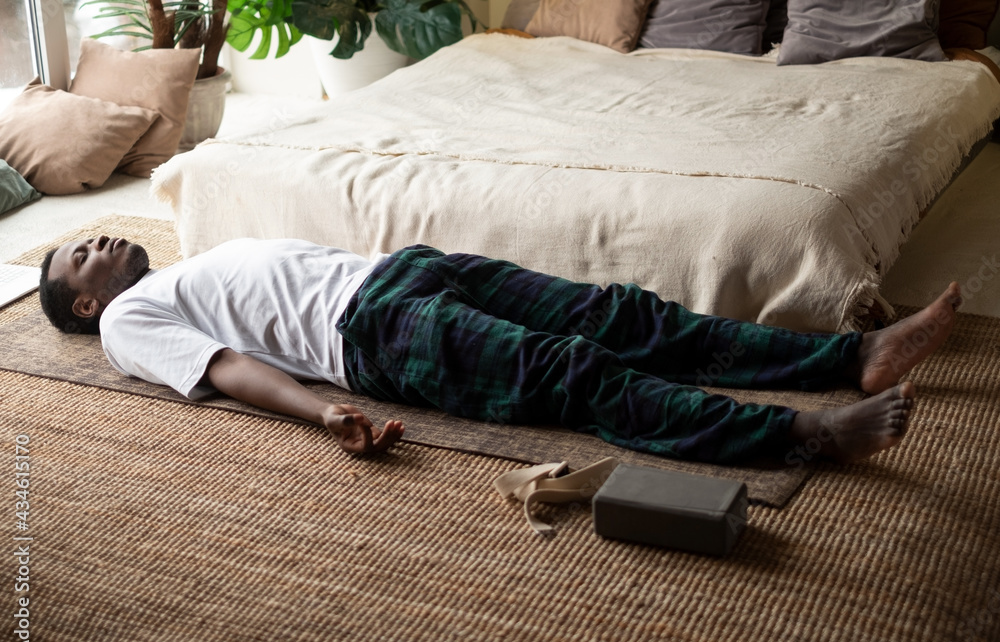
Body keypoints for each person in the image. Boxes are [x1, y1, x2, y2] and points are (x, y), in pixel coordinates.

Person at [37, 235, 962, 465]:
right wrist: (321, 411)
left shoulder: (188, 262)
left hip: (409, 272)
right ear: (84, 301)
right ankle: (804, 435)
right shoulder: (127, 323)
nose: (101, 244)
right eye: (82, 255)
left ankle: (849, 356)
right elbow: (225, 369)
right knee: (580, 376)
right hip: (378, 335)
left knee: (624, 316)